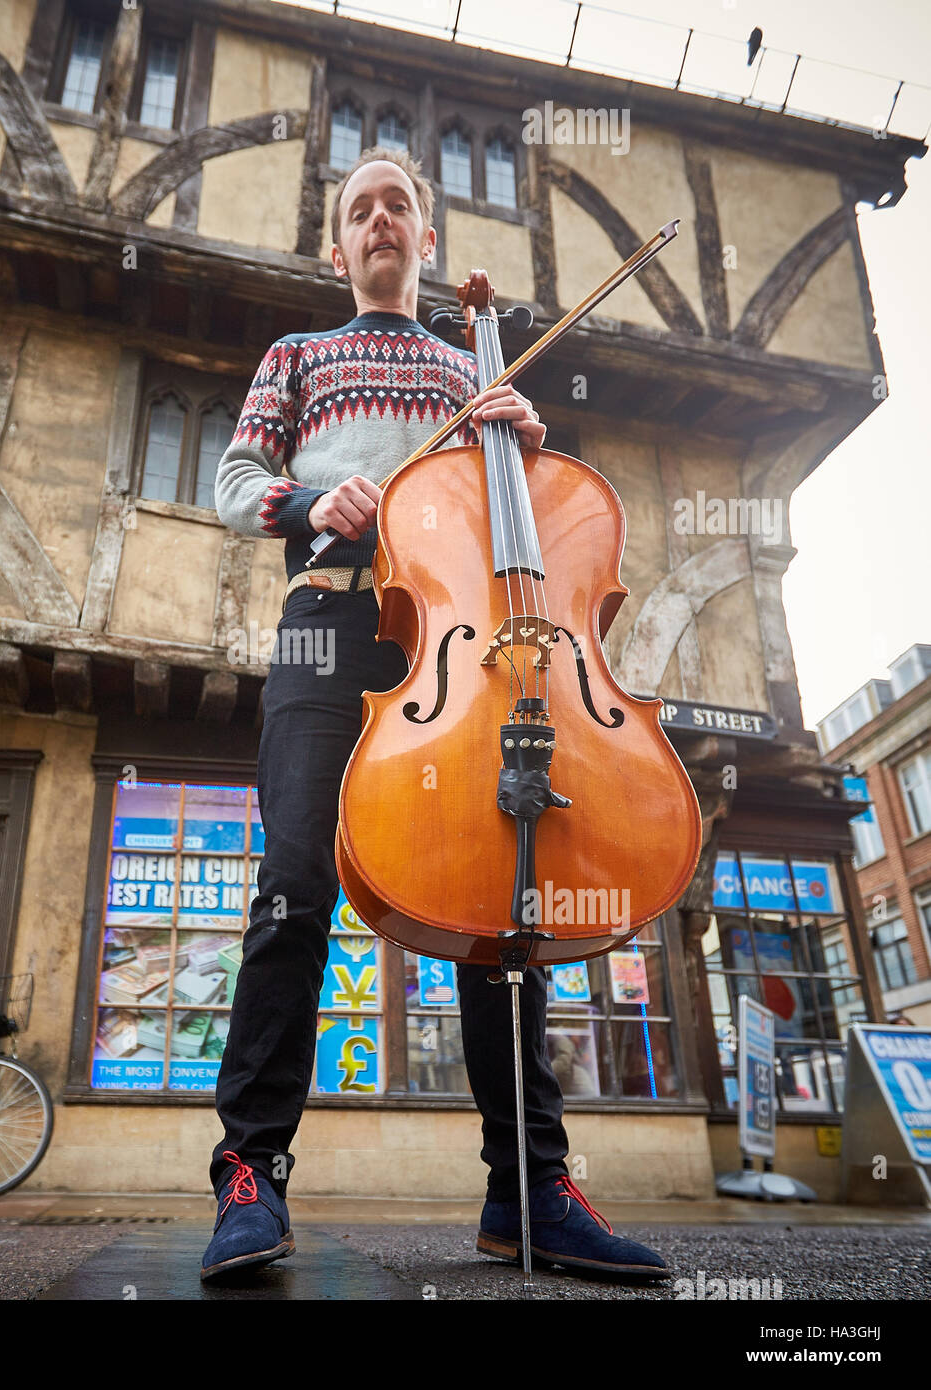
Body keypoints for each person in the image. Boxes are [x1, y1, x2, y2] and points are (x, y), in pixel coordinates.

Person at [206, 145, 667, 1285]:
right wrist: (316, 499)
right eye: (357, 208)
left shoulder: (470, 368)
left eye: (395, 207)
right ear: (338, 243)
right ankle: (250, 1173)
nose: (376, 222)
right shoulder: (297, 354)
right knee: (294, 884)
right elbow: (230, 484)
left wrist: (513, 443)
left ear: (423, 238)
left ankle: (528, 1188)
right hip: (327, 623)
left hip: (455, 649)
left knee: (497, 898)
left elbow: (504, 534)